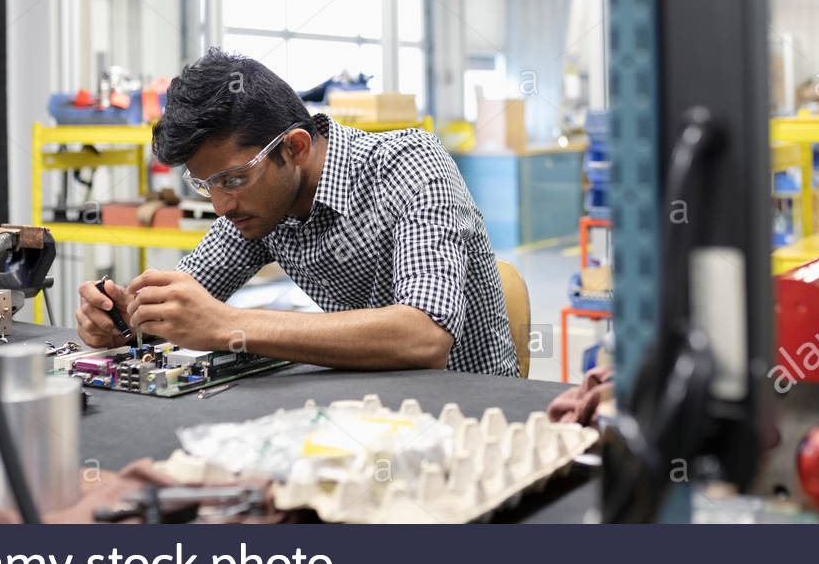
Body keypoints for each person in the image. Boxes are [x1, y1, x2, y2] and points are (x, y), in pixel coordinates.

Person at [75, 48, 519, 376]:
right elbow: (191, 298)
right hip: (368, 412)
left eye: (231, 179)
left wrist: (228, 324)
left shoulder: (411, 165)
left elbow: (425, 337)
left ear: (295, 148)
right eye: (206, 185)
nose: (222, 205)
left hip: (470, 417)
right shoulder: (257, 205)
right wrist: (129, 320)